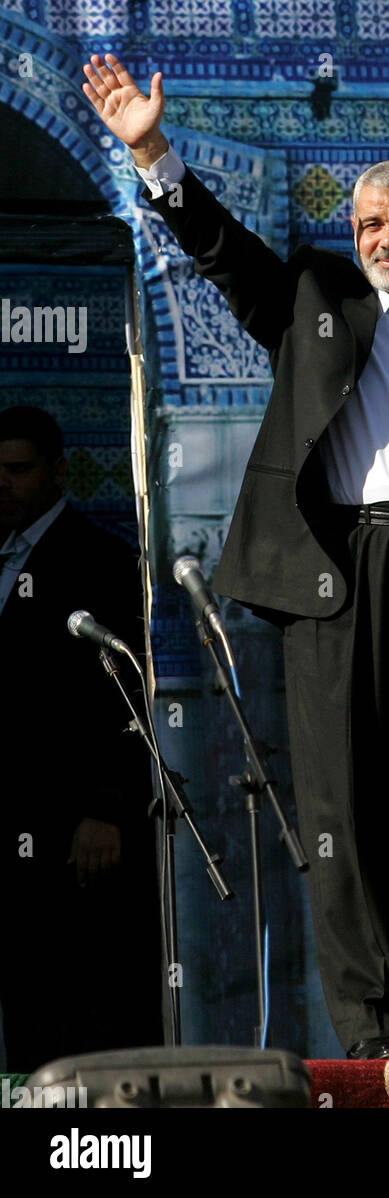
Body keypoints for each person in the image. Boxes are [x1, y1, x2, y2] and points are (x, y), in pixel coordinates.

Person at [82, 52, 389, 1061]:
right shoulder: (312, 304)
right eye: (368, 227)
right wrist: (154, 153)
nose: (385, 240)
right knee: (341, 821)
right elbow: (224, 252)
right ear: (353, 241)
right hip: (337, 583)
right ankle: (371, 1038)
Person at [0, 405, 163, 1074]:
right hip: (13, 832)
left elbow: (126, 695)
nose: (2, 484)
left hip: (76, 832)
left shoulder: (99, 559)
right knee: (28, 1012)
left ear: (58, 471)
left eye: (18, 470)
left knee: (91, 1013)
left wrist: (105, 805)